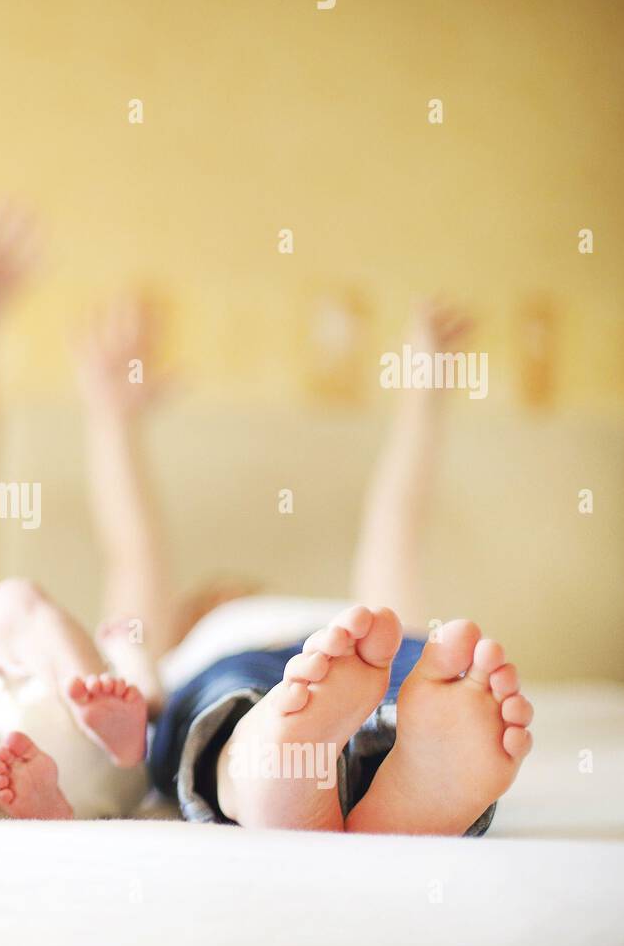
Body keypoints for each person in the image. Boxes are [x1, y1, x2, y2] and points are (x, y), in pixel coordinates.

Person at [150, 302, 535, 835]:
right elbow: (132, 552)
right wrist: (109, 421)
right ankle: (282, 768)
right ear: (188, 621)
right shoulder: (178, 654)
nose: (236, 593)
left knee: (390, 679)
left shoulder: (356, 640)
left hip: (358, 673)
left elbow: (393, 520)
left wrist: (425, 390)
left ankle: (386, 778)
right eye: (220, 596)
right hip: (290, 675)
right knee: (250, 707)